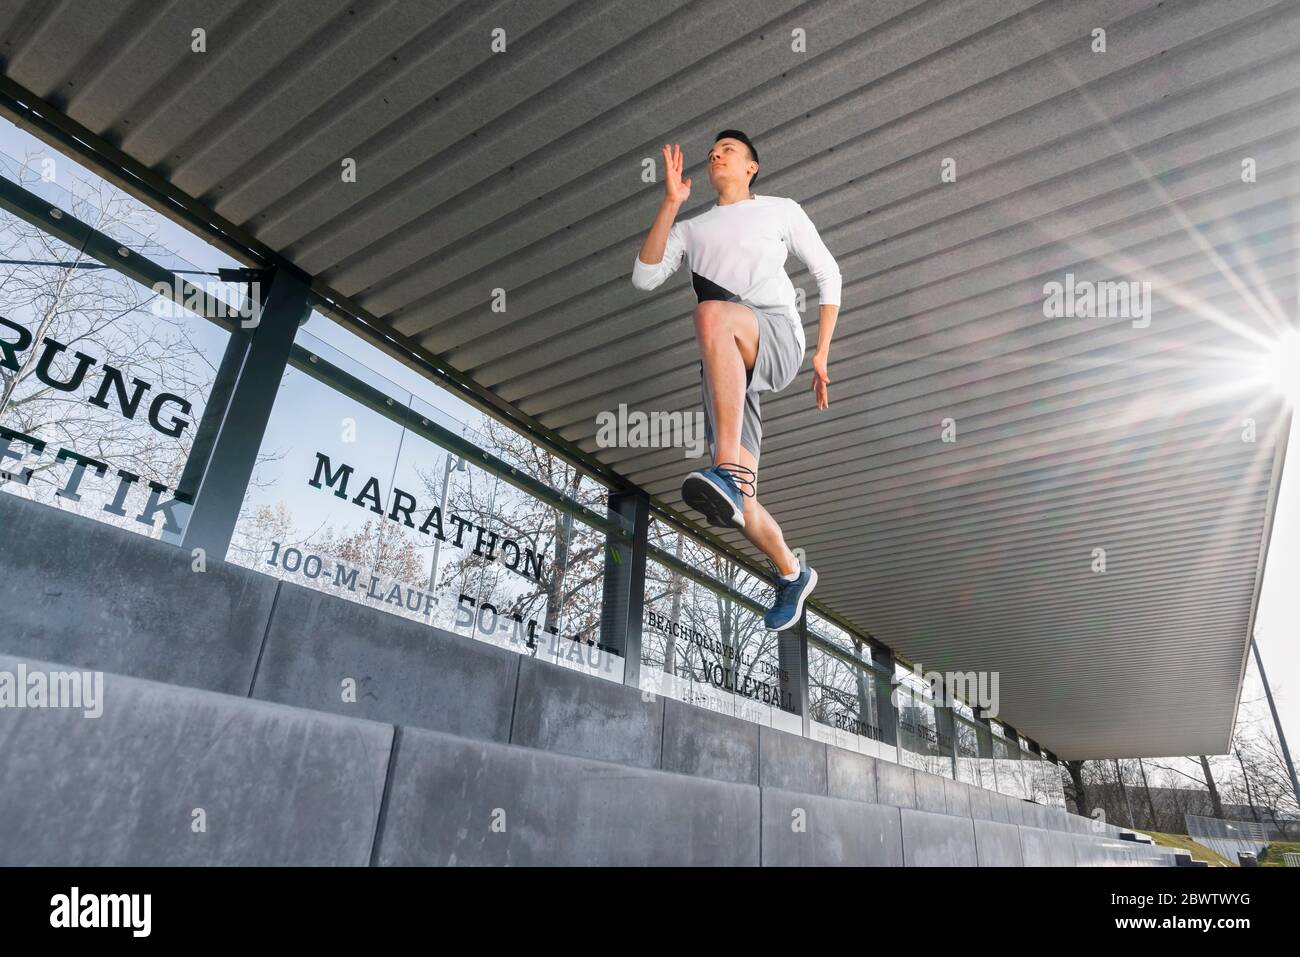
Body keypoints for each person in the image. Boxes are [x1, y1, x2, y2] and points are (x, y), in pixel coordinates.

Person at [630, 130, 841, 631]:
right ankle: (792, 572)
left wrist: (821, 353)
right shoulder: (693, 227)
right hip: (728, 367)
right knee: (739, 504)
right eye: (712, 153)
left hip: (773, 336)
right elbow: (644, 277)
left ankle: (725, 470)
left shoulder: (780, 210)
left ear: (752, 167)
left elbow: (829, 274)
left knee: (710, 315)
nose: (716, 156)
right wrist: (669, 204)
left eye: (727, 150)